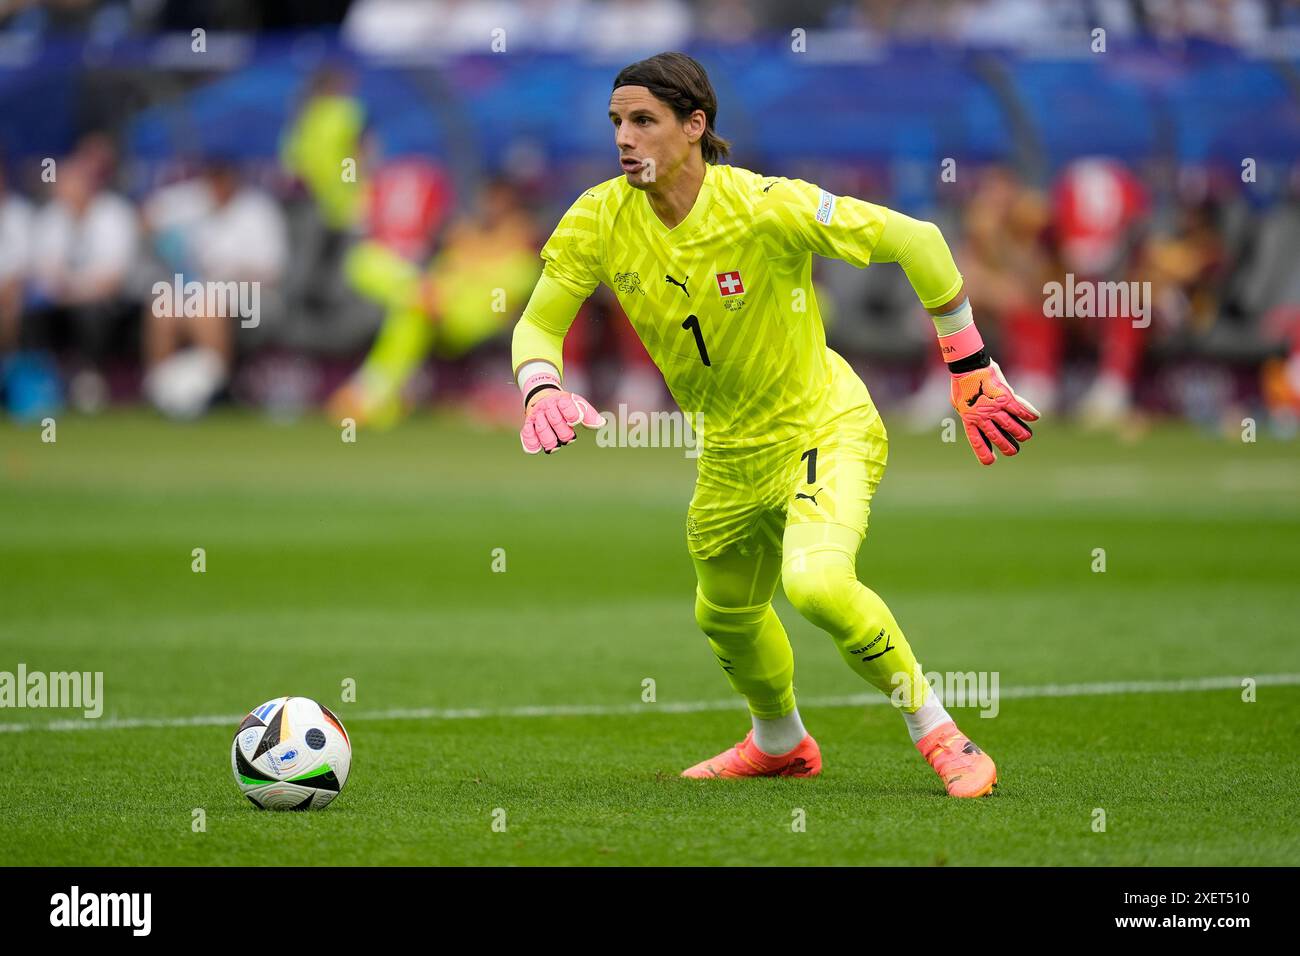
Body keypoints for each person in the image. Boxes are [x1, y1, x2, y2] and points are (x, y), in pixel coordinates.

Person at [510, 52, 1039, 797]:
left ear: (694, 127)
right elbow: (537, 326)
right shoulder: (599, 216)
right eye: (617, 123)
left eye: (643, 122)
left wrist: (969, 363)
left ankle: (944, 735)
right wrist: (539, 388)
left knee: (817, 582)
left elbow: (918, 239)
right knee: (723, 614)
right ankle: (781, 742)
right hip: (729, 453)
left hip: (821, 426)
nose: (624, 138)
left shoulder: (765, 205)